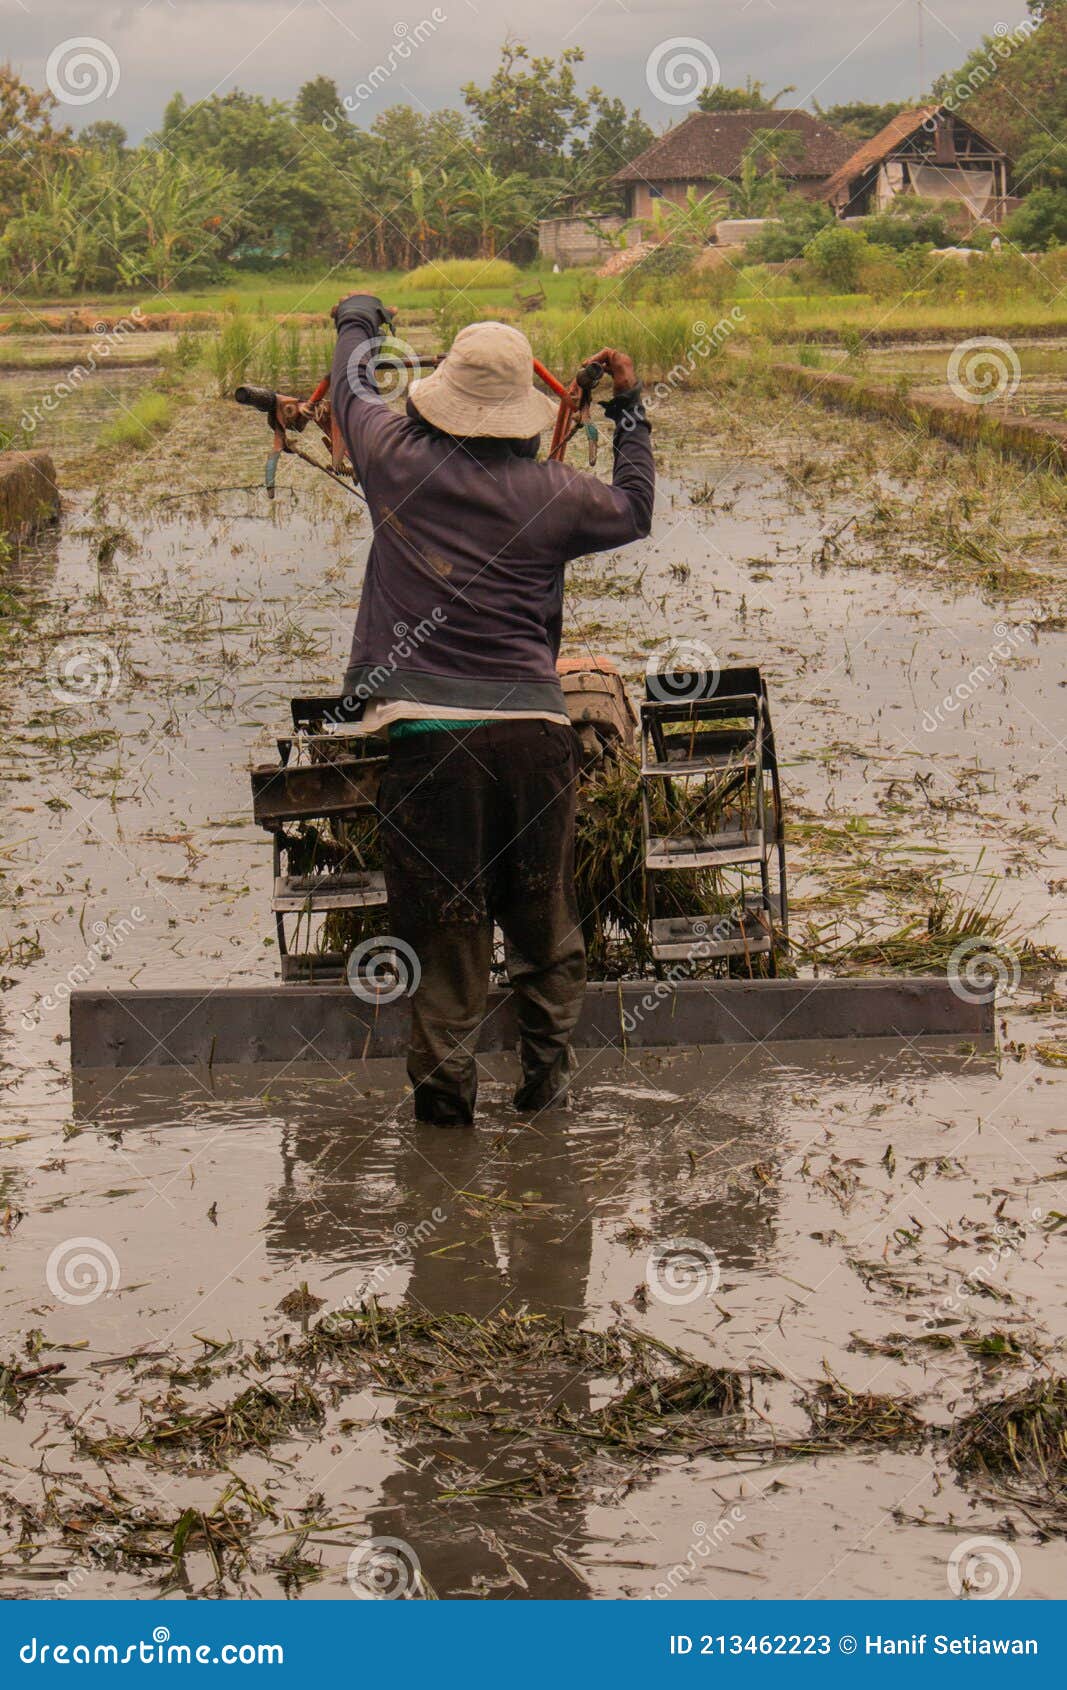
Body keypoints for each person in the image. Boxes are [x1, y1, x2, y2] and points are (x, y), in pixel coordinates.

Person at [329, 294, 654, 1125]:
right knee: (544, 929)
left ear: (438, 397)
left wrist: (358, 321)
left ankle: (445, 1126)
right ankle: (544, 1097)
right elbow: (635, 508)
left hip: (430, 750)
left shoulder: (394, 458)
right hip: (533, 744)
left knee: (448, 938)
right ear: (522, 411)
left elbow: (349, 390)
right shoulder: (556, 493)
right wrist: (630, 411)